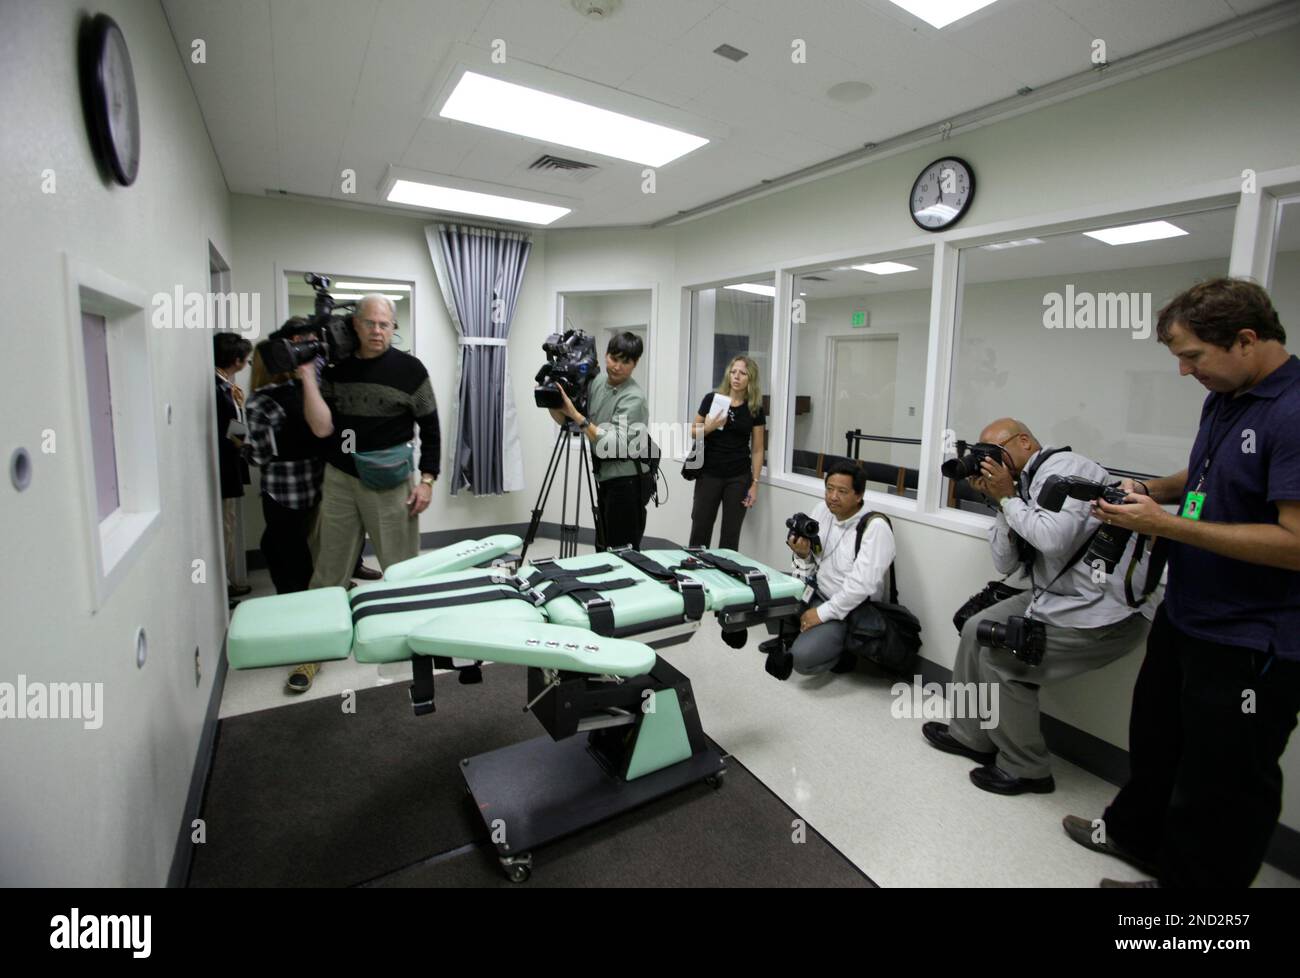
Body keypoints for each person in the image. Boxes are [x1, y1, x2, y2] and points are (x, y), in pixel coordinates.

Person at [1067, 278, 1300, 888]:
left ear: (1245, 340)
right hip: (1188, 613)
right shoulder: (1226, 396)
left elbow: (1295, 544)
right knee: (1158, 740)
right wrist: (1155, 492)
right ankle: (1136, 839)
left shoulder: (1295, 411)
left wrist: (1167, 526)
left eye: (1192, 356)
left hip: (1251, 638)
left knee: (1223, 783)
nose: (1182, 371)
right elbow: (1206, 475)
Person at [921, 418, 1148, 795]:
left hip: (1104, 611)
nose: (988, 462)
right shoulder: (1022, 483)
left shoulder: (1068, 471)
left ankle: (1027, 768)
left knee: (1004, 660)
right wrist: (999, 503)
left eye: (994, 452)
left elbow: (1053, 541)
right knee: (977, 626)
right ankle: (971, 734)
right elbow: (1005, 563)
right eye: (981, 456)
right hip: (1058, 597)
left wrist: (1008, 497)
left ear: (1024, 442)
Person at [296, 294, 440, 692]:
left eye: (385, 325)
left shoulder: (411, 370)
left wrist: (427, 480)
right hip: (341, 477)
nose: (378, 331)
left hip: (391, 482)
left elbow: (430, 428)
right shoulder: (337, 368)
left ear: (394, 328)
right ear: (355, 325)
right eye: (370, 323)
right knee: (329, 569)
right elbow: (322, 428)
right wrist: (308, 376)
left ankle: (411, 641)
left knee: (401, 567)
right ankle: (314, 650)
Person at [761, 461, 896, 680]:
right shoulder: (823, 511)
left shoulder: (874, 528)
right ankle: (799, 631)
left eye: (842, 491)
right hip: (816, 590)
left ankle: (844, 651)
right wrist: (802, 555)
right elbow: (812, 564)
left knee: (801, 660)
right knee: (765, 590)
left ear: (859, 495)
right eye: (829, 489)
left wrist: (821, 614)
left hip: (848, 610)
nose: (833, 497)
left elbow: (859, 589)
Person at [242, 319, 325, 597]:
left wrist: (242, 447)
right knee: (294, 545)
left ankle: (292, 601)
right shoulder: (309, 391)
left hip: (281, 489)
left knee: (286, 551)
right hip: (313, 483)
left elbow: (260, 454)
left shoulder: (260, 402)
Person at [549, 332, 649, 549]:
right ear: (605, 355)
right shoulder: (597, 382)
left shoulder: (633, 397)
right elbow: (567, 420)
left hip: (627, 483)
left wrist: (576, 416)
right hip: (605, 480)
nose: (617, 366)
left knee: (622, 552)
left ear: (635, 363)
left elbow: (612, 445)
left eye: (626, 361)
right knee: (603, 548)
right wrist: (552, 399)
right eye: (614, 358)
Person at [688, 356, 765, 551]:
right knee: (700, 527)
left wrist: (755, 484)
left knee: (731, 534)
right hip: (709, 473)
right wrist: (710, 426)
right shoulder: (712, 399)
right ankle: (696, 570)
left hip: (738, 477)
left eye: (742, 373)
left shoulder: (754, 409)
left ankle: (726, 575)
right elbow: (693, 432)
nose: (736, 377)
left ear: (751, 379)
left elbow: (757, 449)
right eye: (733, 372)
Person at [214, 331, 252, 601]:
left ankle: (227, 583)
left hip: (228, 467)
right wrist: (246, 446)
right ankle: (224, 588)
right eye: (245, 358)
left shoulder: (226, 385)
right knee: (225, 527)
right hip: (226, 468)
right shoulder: (220, 389)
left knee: (228, 525)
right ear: (236, 360)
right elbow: (232, 430)